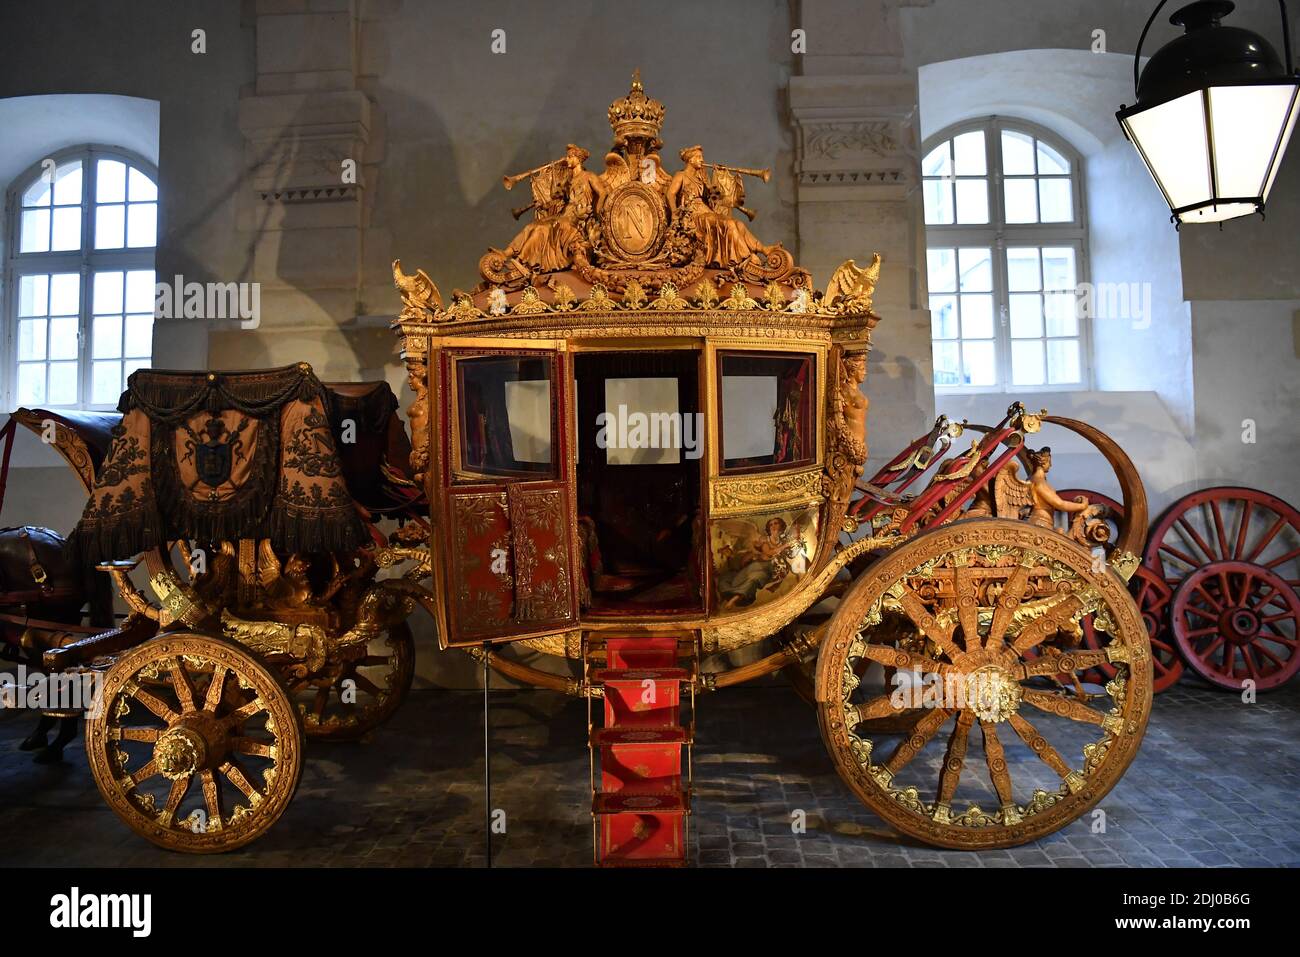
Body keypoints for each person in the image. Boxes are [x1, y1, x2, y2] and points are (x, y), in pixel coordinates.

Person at [667, 145, 766, 268]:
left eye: (701, 157)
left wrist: (719, 176)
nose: (702, 160)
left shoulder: (700, 179)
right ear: (690, 160)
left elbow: (714, 198)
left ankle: (762, 249)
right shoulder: (681, 175)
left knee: (737, 223)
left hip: (706, 211)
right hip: (693, 215)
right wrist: (674, 212)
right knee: (728, 224)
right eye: (698, 157)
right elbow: (670, 194)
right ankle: (745, 256)